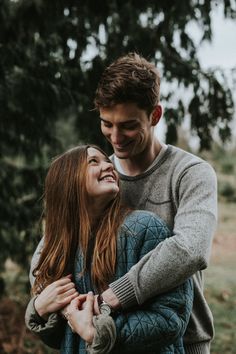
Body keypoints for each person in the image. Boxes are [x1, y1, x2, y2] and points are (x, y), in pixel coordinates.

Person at [93, 52, 218, 354]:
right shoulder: (97, 178)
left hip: (182, 341)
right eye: (106, 124)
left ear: (155, 115)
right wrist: (41, 297)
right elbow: (56, 239)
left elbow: (190, 249)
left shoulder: (191, 173)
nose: (115, 137)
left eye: (128, 126)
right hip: (112, 337)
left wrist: (113, 296)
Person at [25, 144, 193, 353]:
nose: (108, 166)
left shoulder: (145, 229)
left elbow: (171, 318)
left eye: (107, 161)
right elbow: (62, 338)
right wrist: (40, 309)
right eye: (93, 162)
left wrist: (99, 333)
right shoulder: (55, 246)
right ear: (67, 180)